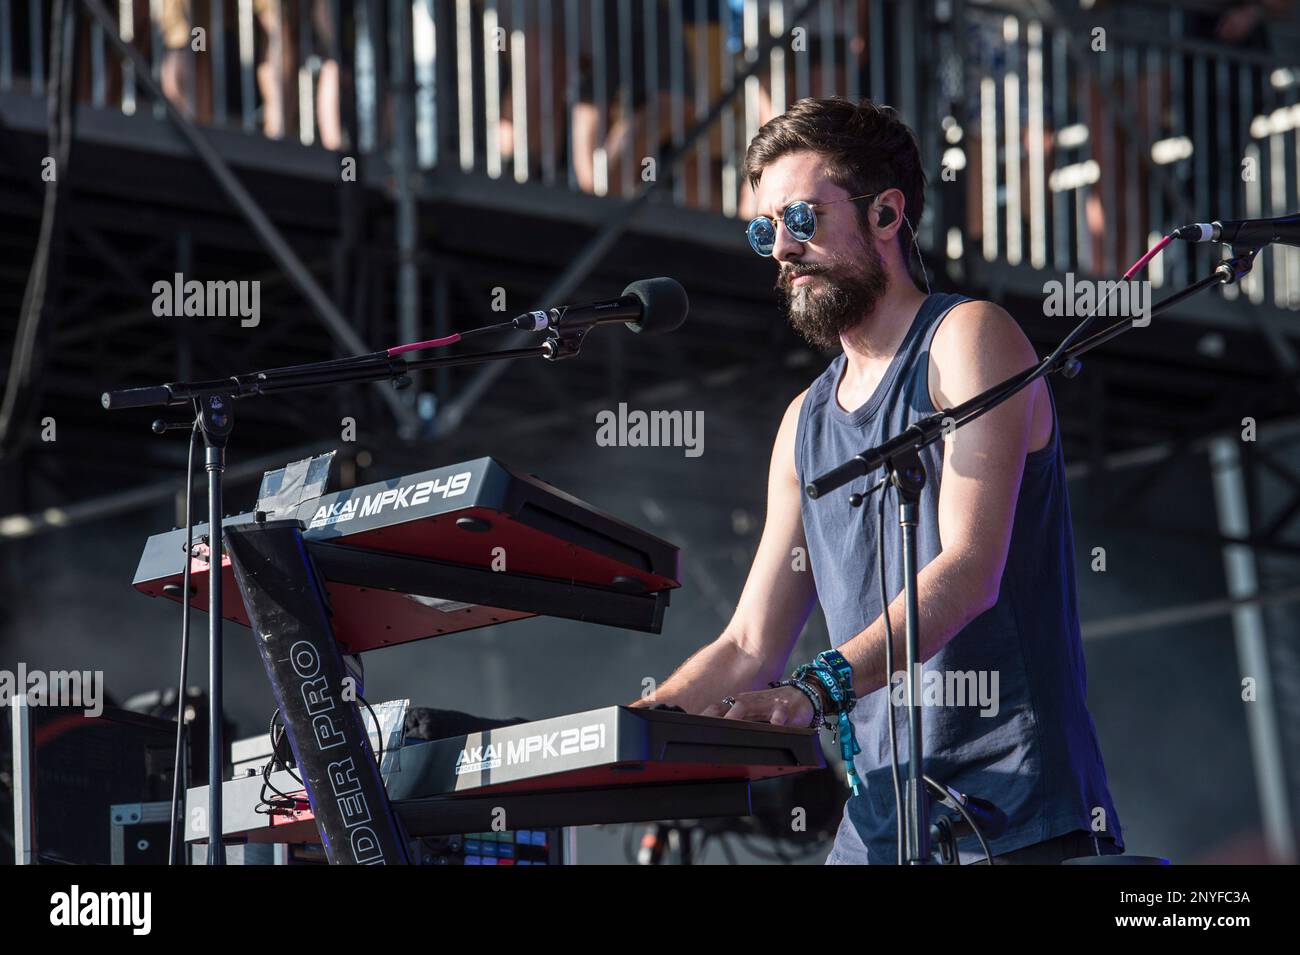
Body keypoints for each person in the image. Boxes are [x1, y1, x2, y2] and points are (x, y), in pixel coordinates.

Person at [633, 96, 1124, 865]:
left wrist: (816, 688)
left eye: (801, 219)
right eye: (764, 231)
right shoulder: (804, 420)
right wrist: (628, 734)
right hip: (881, 830)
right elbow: (750, 642)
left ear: (886, 214)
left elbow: (966, 573)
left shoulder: (969, 338)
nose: (780, 251)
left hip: (1015, 813)